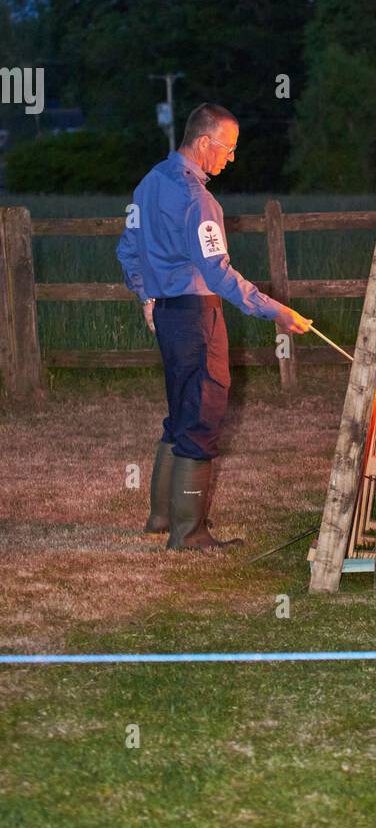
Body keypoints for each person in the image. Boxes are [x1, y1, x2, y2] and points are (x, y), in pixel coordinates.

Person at [116, 103, 311, 552]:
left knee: (180, 414)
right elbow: (218, 273)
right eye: (228, 147)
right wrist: (275, 311)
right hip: (197, 317)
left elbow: (127, 250)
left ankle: (163, 517)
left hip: (169, 314)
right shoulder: (199, 200)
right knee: (201, 415)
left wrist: (147, 298)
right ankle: (189, 533)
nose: (231, 157)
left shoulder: (149, 184)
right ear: (204, 142)